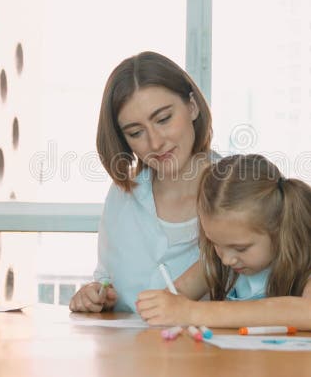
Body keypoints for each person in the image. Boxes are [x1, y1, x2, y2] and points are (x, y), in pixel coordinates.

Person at [69, 51, 214, 312]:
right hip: (133, 350)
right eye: (136, 132)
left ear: (192, 106)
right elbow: (106, 280)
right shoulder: (123, 196)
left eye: (163, 119)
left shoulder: (240, 187)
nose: (155, 142)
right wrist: (96, 295)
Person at [136, 154, 311, 330]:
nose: (226, 259)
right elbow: (178, 294)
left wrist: (192, 312)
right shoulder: (223, 255)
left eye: (240, 248)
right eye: (215, 242)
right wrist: (163, 306)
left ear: (279, 227)